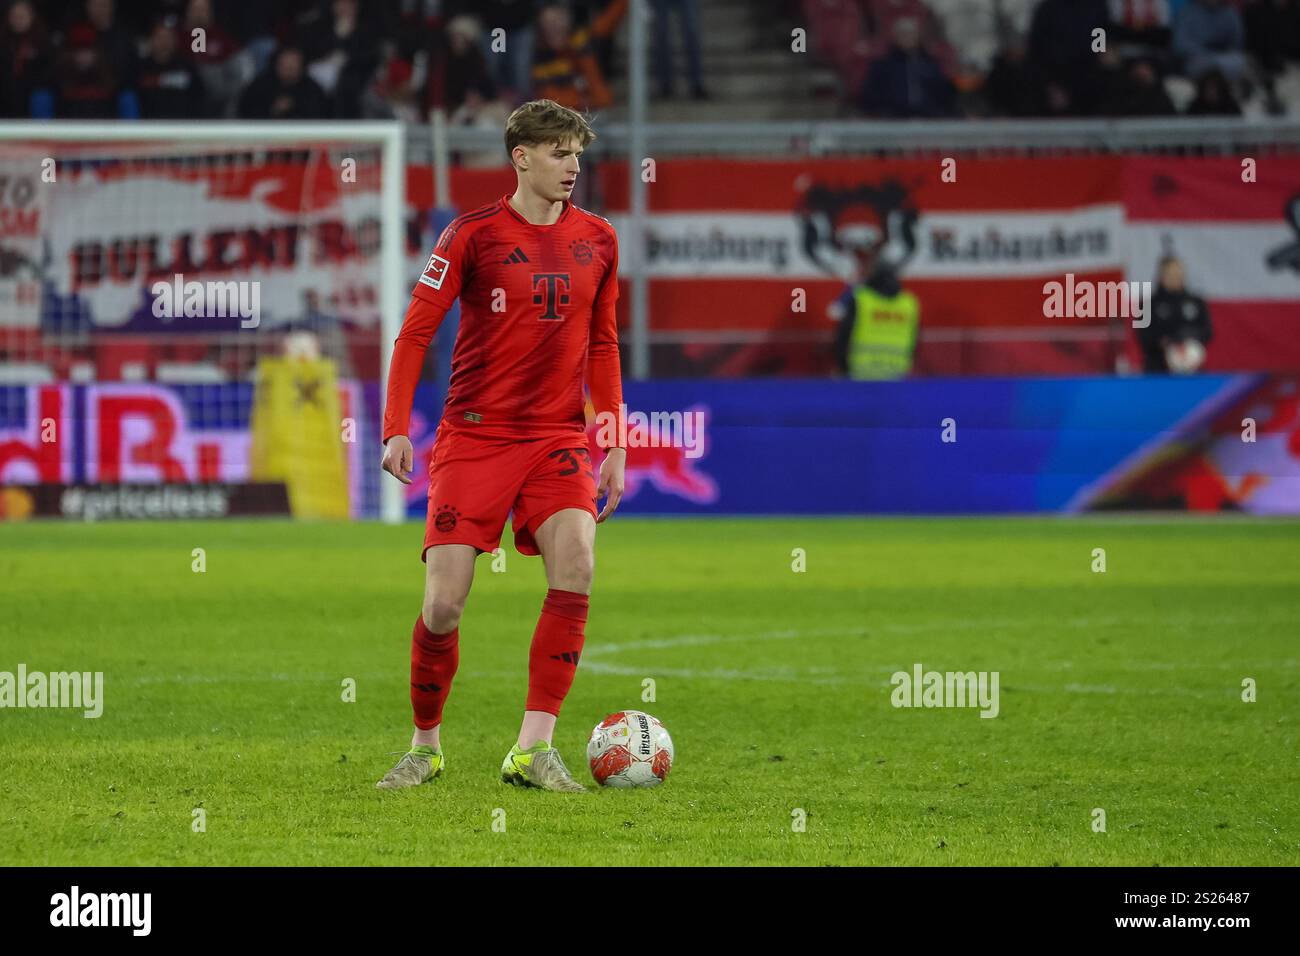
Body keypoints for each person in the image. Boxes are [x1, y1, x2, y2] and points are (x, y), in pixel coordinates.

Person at [376, 99, 626, 793]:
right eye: (557, 152)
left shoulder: (601, 238)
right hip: (475, 437)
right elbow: (415, 333)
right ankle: (425, 746)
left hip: (556, 439)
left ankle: (532, 750)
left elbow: (602, 344)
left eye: (577, 152)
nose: (572, 165)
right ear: (521, 157)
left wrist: (612, 440)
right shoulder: (471, 235)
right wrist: (397, 425)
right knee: (444, 605)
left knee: (576, 563)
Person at [830, 240, 920, 379]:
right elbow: (915, 340)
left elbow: (843, 335)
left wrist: (842, 367)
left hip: (861, 372)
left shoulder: (861, 299)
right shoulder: (908, 303)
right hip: (897, 373)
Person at [1139, 255, 1212, 373]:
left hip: (1192, 369)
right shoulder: (1147, 304)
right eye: (1171, 274)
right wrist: (1166, 342)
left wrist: (1188, 340)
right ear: (1161, 277)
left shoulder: (1196, 302)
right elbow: (1143, 336)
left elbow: (1208, 331)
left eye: (1178, 274)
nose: (1175, 278)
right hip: (1158, 371)